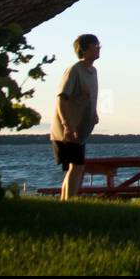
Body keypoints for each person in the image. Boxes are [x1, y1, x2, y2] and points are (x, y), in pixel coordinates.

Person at [51, 33, 101, 201]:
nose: (99, 48)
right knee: (77, 166)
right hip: (68, 129)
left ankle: (65, 201)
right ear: (84, 49)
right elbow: (61, 97)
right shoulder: (74, 70)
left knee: (76, 167)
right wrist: (67, 125)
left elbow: (89, 95)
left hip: (80, 131)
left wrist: (93, 113)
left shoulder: (93, 72)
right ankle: (68, 202)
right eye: (95, 45)